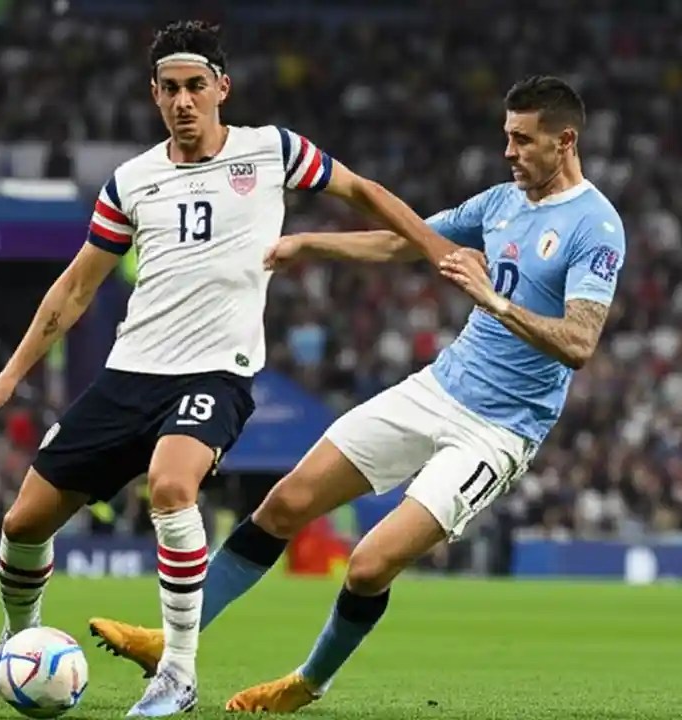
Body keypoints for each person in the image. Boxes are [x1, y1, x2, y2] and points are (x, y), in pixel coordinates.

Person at [0, 20, 462, 719]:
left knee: (171, 486)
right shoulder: (132, 181)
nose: (183, 101)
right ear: (154, 95)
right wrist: (12, 374)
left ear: (222, 88)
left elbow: (364, 191)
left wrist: (436, 247)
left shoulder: (272, 150)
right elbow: (76, 287)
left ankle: (179, 672)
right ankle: (16, 645)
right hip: (129, 374)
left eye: (196, 86)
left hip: (215, 375)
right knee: (23, 523)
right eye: (169, 89)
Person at [89, 75, 627, 712]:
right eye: (507, 136)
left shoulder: (597, 227)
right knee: (285, 501)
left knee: (369, 565)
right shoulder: (502, 202)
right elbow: (405, 240)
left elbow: (579, 343)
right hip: (439, 387)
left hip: (499, 430)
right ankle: (170, 642)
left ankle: (306, 683)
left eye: (523, 140)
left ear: (565, 142)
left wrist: (494, 302)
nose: (508, 152)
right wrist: (313, 244)